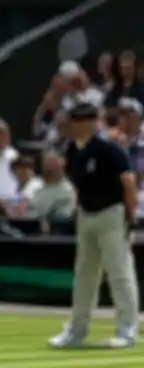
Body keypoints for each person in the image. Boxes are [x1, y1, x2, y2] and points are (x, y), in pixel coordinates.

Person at [49, 102, 139, 349]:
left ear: (93, 121)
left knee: (119, 273)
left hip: (112, 214)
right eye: (75, 120)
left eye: (83, 120)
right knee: (84, 276)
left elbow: (128, 181)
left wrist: (131, 216)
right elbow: (79, 184)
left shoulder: (109, 148)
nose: (78, 125)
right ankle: (77, 331)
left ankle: (127, 331)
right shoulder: (72, 151)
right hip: (87, 216)